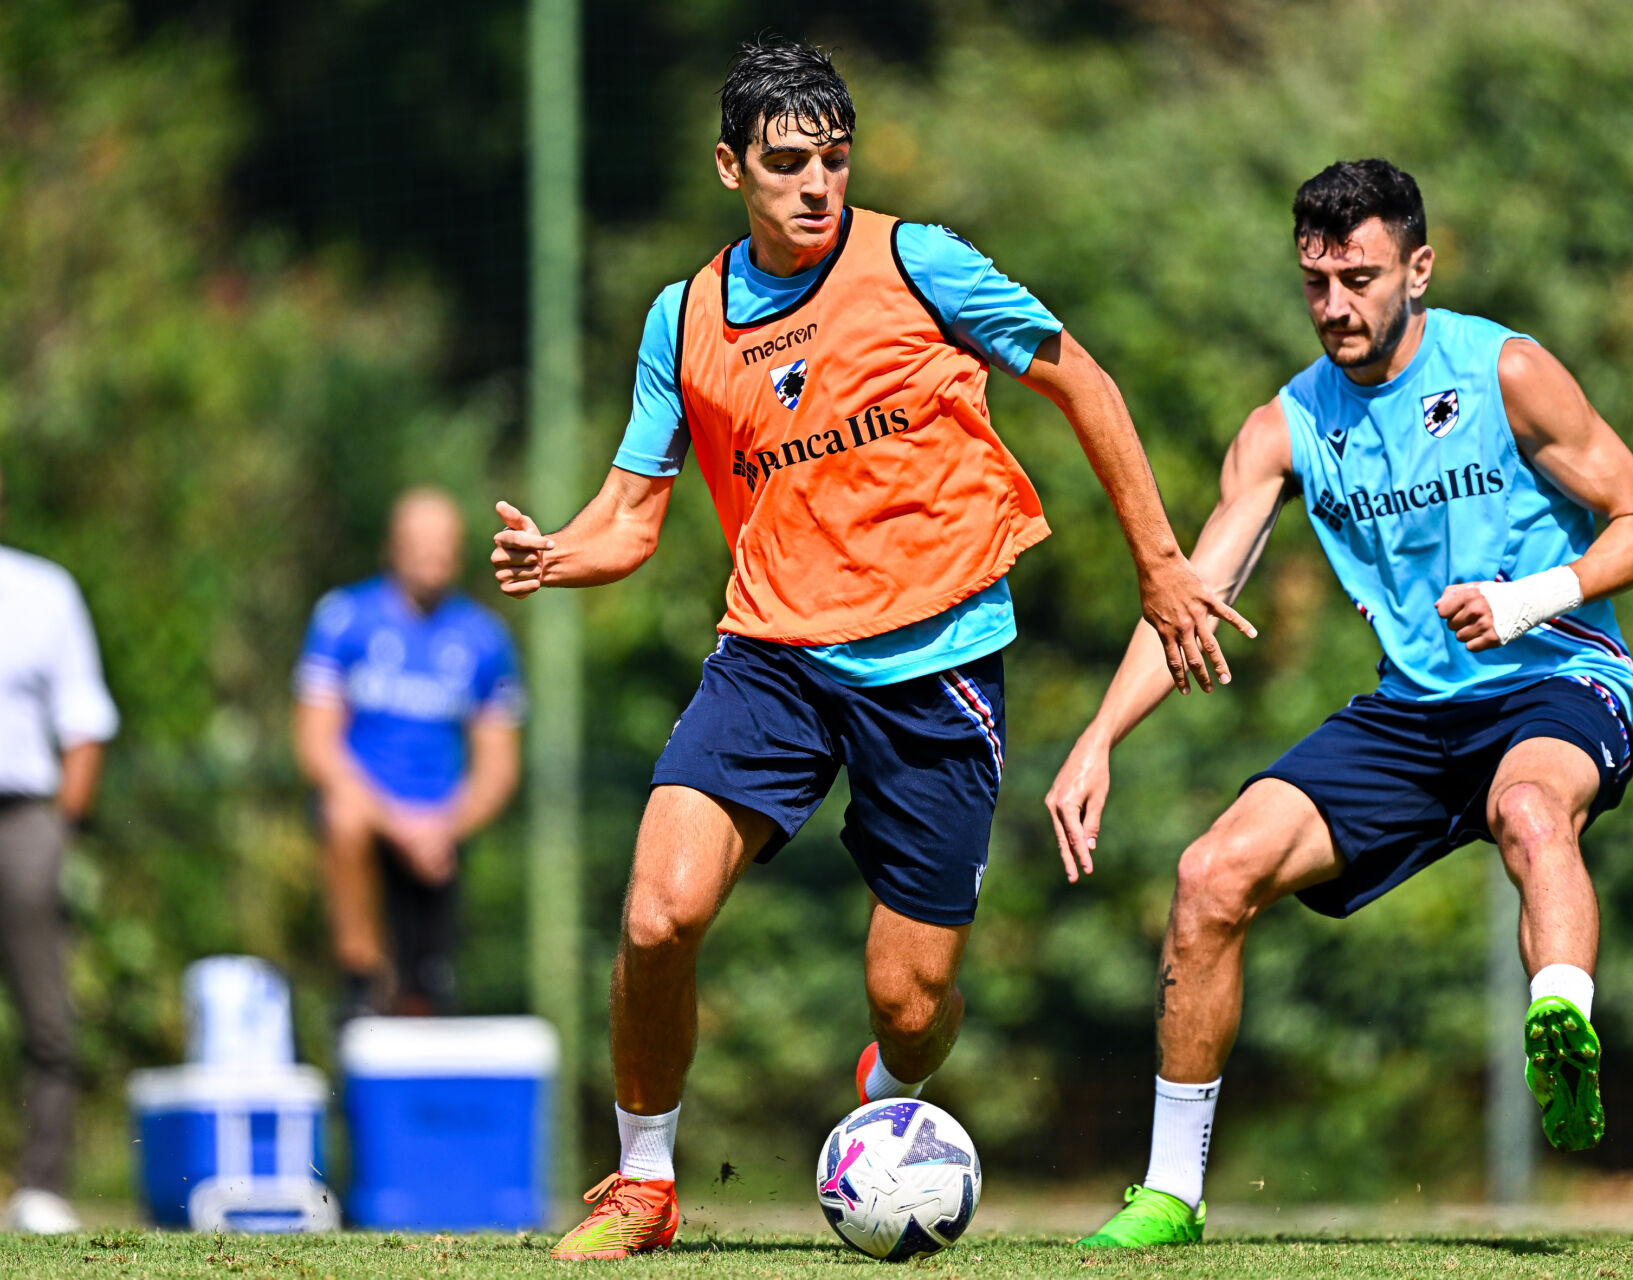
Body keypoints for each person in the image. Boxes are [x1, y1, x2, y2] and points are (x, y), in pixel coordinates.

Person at [490, 37, 1249, 1261]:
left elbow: (1085, 384)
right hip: (773, 656)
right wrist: (556, 554)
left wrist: (1160, 565)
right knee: (656, 916)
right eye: (788, 163)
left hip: (935, 662)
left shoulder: (917, 262)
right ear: (730, 167)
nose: (817, 185)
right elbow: (630, 518)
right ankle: (644, 1183)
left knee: (909, 1000)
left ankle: (892, 1072)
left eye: (834, 160)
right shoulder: (683, 318)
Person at [1048, 159, 1633, 1247]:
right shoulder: (1285, 427)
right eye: (1316, 282)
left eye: (1361, 278)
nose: (1336, 305)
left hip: (1555, 677)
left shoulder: (1508, 371)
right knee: (1210, 874)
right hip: (1415, 712)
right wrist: (1099, 736)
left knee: (1530, 811)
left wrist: (1526, 600)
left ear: (1418, 270)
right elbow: (1191, 596)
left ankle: (1561, 1024)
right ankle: (1167, 1194)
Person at [293, 488, 524, 1019]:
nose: (432, 554)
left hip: (441, 834)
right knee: (343, 816)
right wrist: (397, 824)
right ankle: (358, 976)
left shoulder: (486, 639)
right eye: (420, 541)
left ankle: (423, 992)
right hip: (368, 818)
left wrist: (444, 826)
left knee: (427, 998)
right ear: (392, 546)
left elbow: (498, 767)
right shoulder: (342, 619)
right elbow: (315, 746)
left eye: (444, 543)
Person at [0, 464, 118, 1234]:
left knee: (45, 1011)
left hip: (21, 818)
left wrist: (59, 828)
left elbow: (85, 718)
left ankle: (42, 1185)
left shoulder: (43, 592)